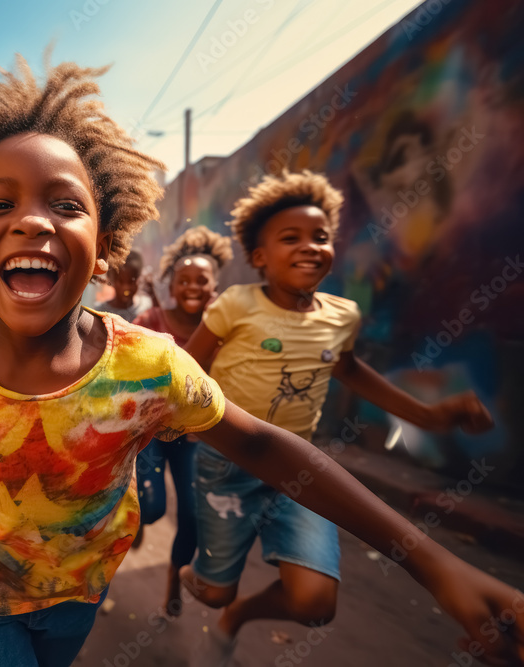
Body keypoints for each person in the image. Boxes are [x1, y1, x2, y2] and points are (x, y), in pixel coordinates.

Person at [0, 59, 523, 667]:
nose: (31, 219)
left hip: (81, 583)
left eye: (65, 203)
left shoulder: (150, 366)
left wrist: (433, 561)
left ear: (105, 241)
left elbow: (266, 443)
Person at [182, 169, 499, 665]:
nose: (310, 246)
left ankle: (236, 617)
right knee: (211, 590)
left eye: (321, 237)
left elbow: (351, 370)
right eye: (291, 238)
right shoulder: (234, 305)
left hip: (302, 472)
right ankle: (203, 584)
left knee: (314, 604)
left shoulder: (342, 316)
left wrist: (431, 415)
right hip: (227, 465)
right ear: (259, 257)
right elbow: (185, 368)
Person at [131, 226, 233, 615]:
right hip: (153, 432)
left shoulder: (223, 326)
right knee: (153, 508)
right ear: (172, 284)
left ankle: (174, 577)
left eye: (201, 280)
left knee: (191, 515)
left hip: (194, 437)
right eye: (183, 279)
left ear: (214, 286)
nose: (192, 286)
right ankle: (138, 521)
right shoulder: (150, 318)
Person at [94, 248, 151, 321]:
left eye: (131, 281)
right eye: (120, 282)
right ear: (112, 280)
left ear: (139, 279)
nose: (126, 288)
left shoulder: (146, 308)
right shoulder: (101, 312)